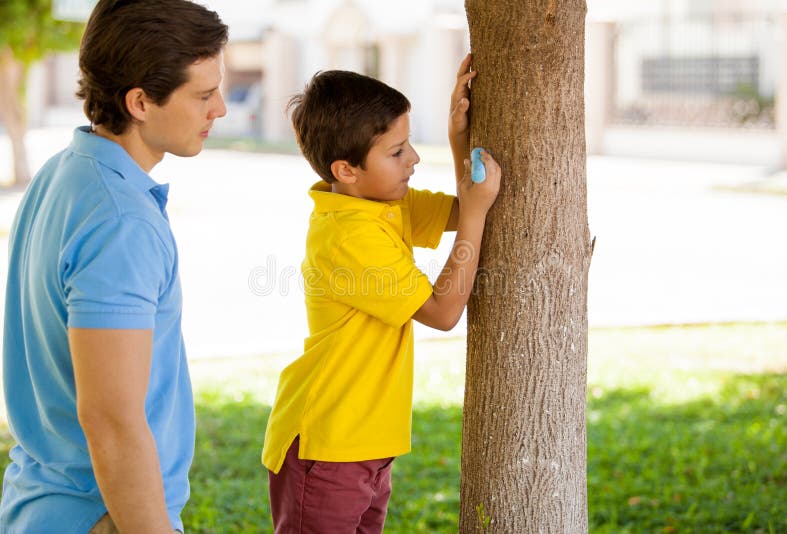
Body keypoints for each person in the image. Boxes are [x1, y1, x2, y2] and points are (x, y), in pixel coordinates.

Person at [0, 1, 228, 532]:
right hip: (104, 517)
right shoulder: (121, 221)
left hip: (45, 504)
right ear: (141, 102)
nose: (219, 109)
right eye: (202, 95)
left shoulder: (67, 171)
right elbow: (112, 420)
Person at [261, 54, 501, 532]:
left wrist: (460, 140)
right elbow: (442, 309)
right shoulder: (349, 235)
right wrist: (474, 214)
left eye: (409, 144)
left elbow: (464, 205)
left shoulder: (379, 205)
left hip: (366, 442)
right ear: (346, 169)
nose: (412, 159)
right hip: (327, 446)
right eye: (396, 152)